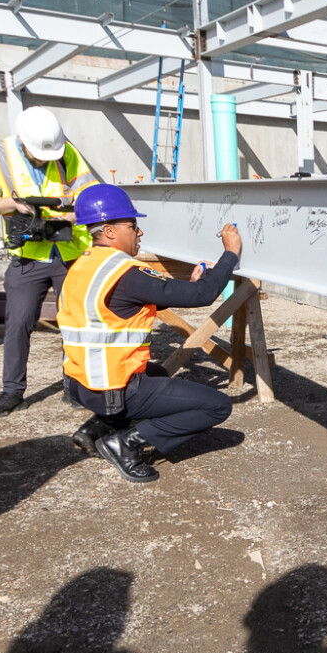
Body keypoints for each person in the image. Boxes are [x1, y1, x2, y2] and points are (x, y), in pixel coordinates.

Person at [58, 185, 241, 483]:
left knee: (156, 373)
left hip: (81, 384)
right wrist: (230, 254)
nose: (139, 233)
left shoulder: (85, 264)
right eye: (132, 226)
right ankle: (126, 444)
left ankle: (97, 428)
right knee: (217, 405)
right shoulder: (126, 270)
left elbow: (125, 303)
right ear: (109, 231)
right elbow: (204, 294)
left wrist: (186, 288)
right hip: (112, 391)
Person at [0, 106, 99, 416]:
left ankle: (74, 386)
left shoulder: (66, 152)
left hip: (70, 251)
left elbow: (88, 196)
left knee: (76, 323)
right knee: (19, 322)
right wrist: (13, 203)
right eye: (38, 155)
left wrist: (72, 213)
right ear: (22, 140)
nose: (45, 161)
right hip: (28, 255)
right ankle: (12, 391)